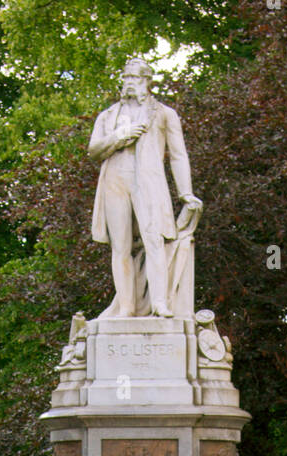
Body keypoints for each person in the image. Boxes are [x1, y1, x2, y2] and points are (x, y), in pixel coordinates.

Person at [89, 57, 202, 318]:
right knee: (121, 246)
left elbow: (178, 155)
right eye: (126, 77)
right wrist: (120, 137)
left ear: (147, 81)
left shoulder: (164, 113)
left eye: (136, 78)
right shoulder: (108, 116)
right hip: (115, 179)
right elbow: (93, 150)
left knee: (155, 241)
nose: (130, 83)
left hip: (149, 181)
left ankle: (160, 303)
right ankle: (127, 307)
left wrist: (185, 193)